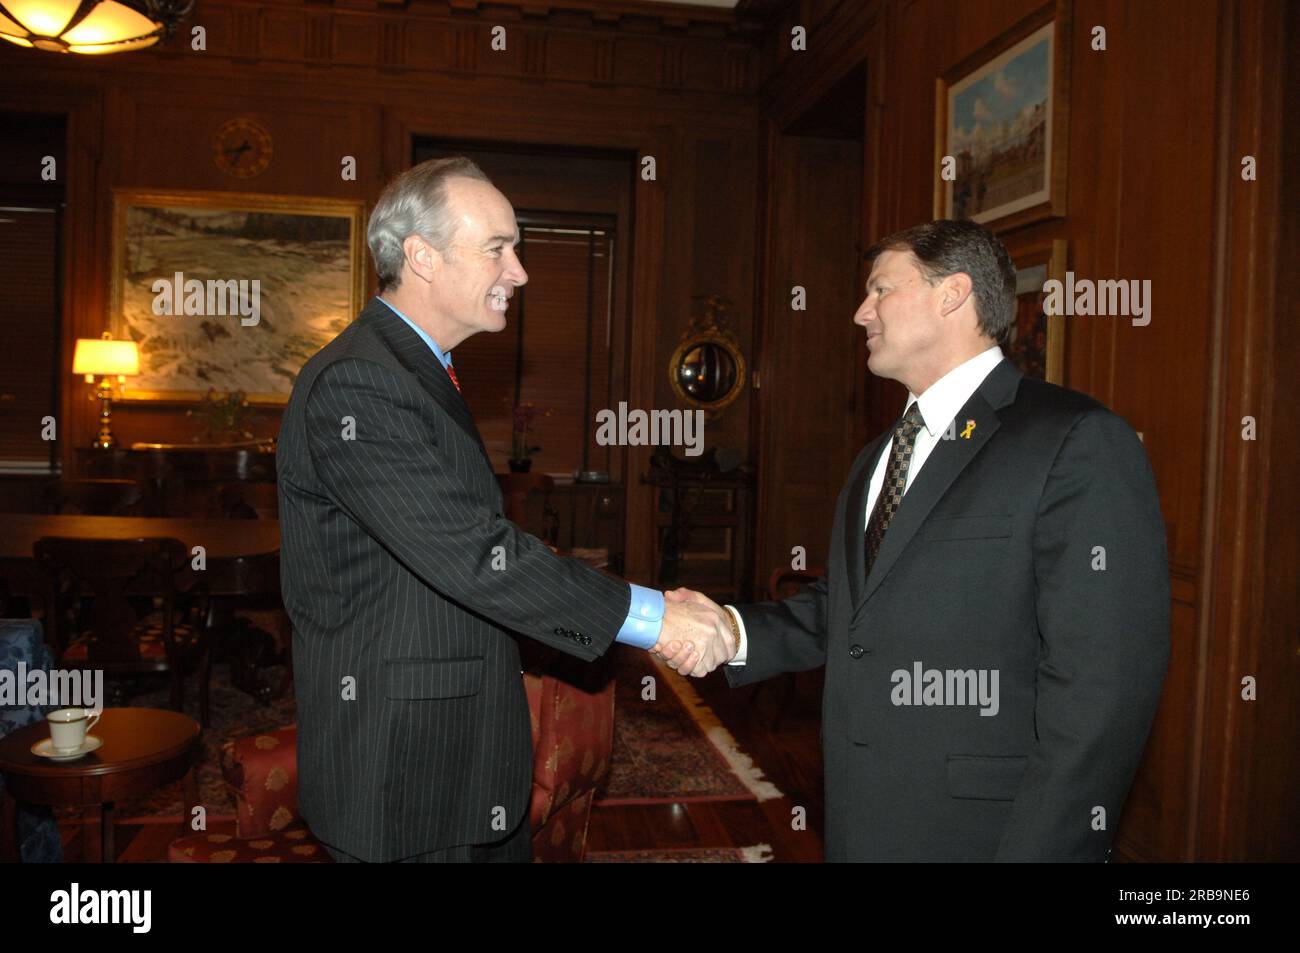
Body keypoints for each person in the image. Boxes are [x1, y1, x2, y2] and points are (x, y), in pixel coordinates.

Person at [660, 219, 1169, 861]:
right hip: (861, 814)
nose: (859, 312)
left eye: (880, 290)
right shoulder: (881, 454)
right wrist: (735, 632)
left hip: (986, 833)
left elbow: (1104, 686)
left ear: (952, 293)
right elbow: (854, 608)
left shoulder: (1075, 441)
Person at [277, 157, 733, 863]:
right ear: (422, 257)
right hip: (404, 778)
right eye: (498, 248)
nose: (518, 271)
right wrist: (656, 616)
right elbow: (468, 551)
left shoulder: (413, 368)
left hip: (452, 760)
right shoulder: (360, 381)